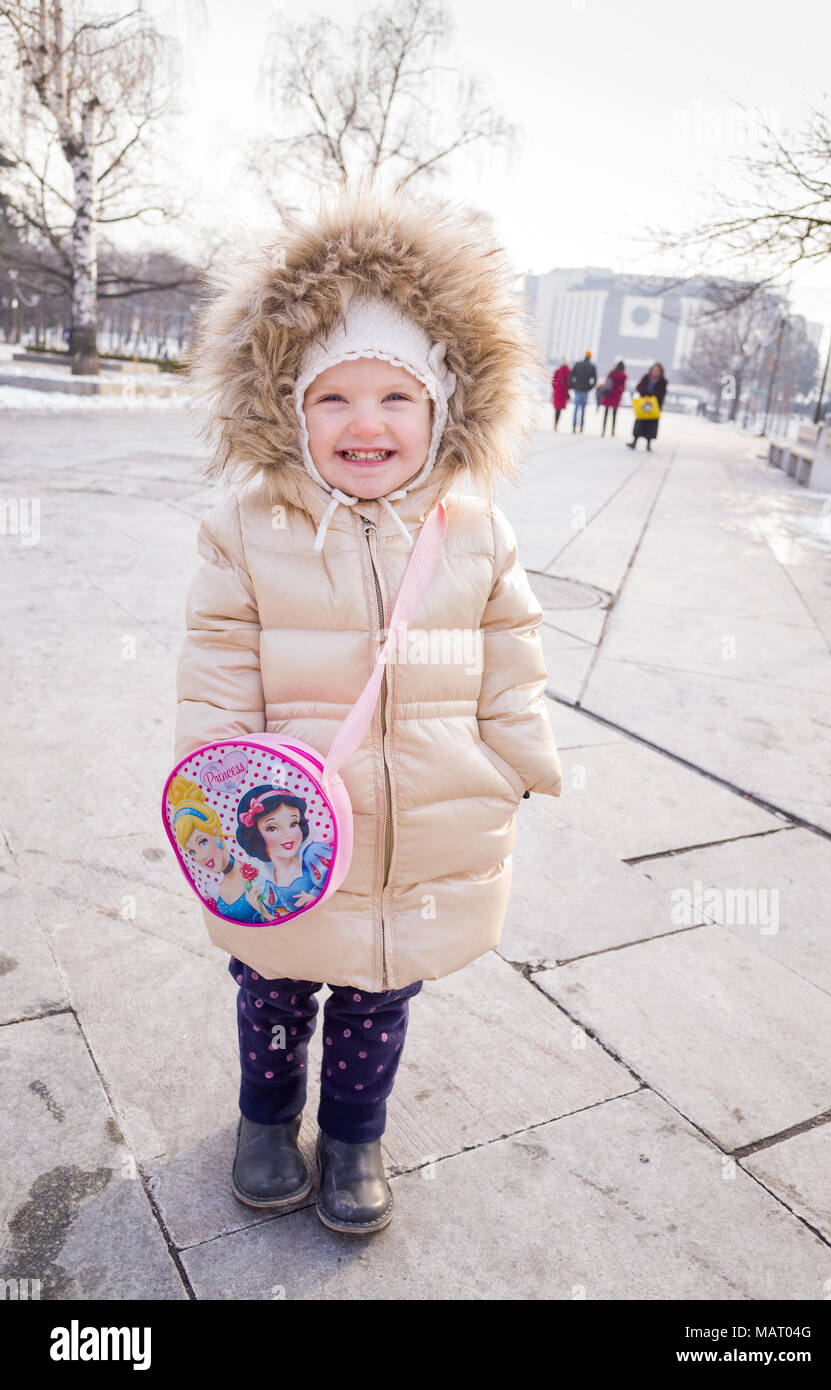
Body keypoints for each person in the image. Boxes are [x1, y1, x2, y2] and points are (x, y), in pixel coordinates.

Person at [175, 180, 564, 1237]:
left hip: (424, 818)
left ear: (442, 407)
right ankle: (266, 1116)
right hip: (283, 828)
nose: (365, 423)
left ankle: (354, 1130)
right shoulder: (248, 526)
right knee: (274, 977)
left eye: (395, 398)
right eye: (334, 398)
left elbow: (509, 643)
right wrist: (214, 777)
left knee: (381, 991)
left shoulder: (475, 527)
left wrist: (512, 753)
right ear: (289, 408)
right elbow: (216, 658)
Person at [627, 362, 668, 450]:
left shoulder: (663, 382)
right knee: (639, 423)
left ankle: (648, 444)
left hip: (655, 406)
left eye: (657, 370)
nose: (655, 372)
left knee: (651, 425)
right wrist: (645, 392)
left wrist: (652, 395)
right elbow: (639, 387)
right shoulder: (646, 378)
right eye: (654, 370)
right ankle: (634, 441)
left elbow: (662, 393)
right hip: (643, 404)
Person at [598, 359, 627, 437]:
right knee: (614, 414)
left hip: (608, 395)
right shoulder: (623, 376)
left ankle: (603, 430)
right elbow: (623, 387)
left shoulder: (611, 373)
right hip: (616, 396)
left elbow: (606, 382)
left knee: (606, 414)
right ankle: (612, 431)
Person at [569, 351, 597, 431]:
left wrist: (573, 385)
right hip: (585, 390)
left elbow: (571, 376)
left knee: (576, 408)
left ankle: (574, 426)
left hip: (577, 389)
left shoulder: (578, 364)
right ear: (590, 357)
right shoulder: (592, 366)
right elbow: (595, 380)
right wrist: (589, 387)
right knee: (583, 410)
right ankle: (581, 426)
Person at [551, 358, 570, 430]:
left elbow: (553, 382)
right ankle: (556, 423)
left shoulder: (557, 371)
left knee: (557, 408)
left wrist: (555, 388)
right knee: (559, 409)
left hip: (557, 392)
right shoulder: (568, 371)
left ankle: (555, 423)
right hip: (563, 393)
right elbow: (569, 383)